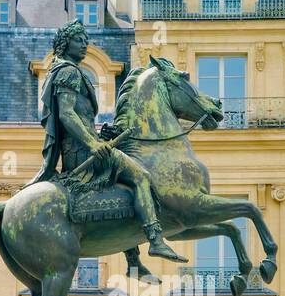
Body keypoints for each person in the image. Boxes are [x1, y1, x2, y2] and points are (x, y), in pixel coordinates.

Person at [34, 19, 186, 267]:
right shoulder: (68, 72)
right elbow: (67, 114)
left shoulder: (63, 70)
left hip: (83, 146)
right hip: (82, 152)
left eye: (85, 40)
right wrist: (93, 145)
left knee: (122, 187)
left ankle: (134, 264)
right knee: (140, 177)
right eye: (79, 40)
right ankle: (156, 240)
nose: (84, 45)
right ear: (65, 43)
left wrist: (101, 135)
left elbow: (78, 118)